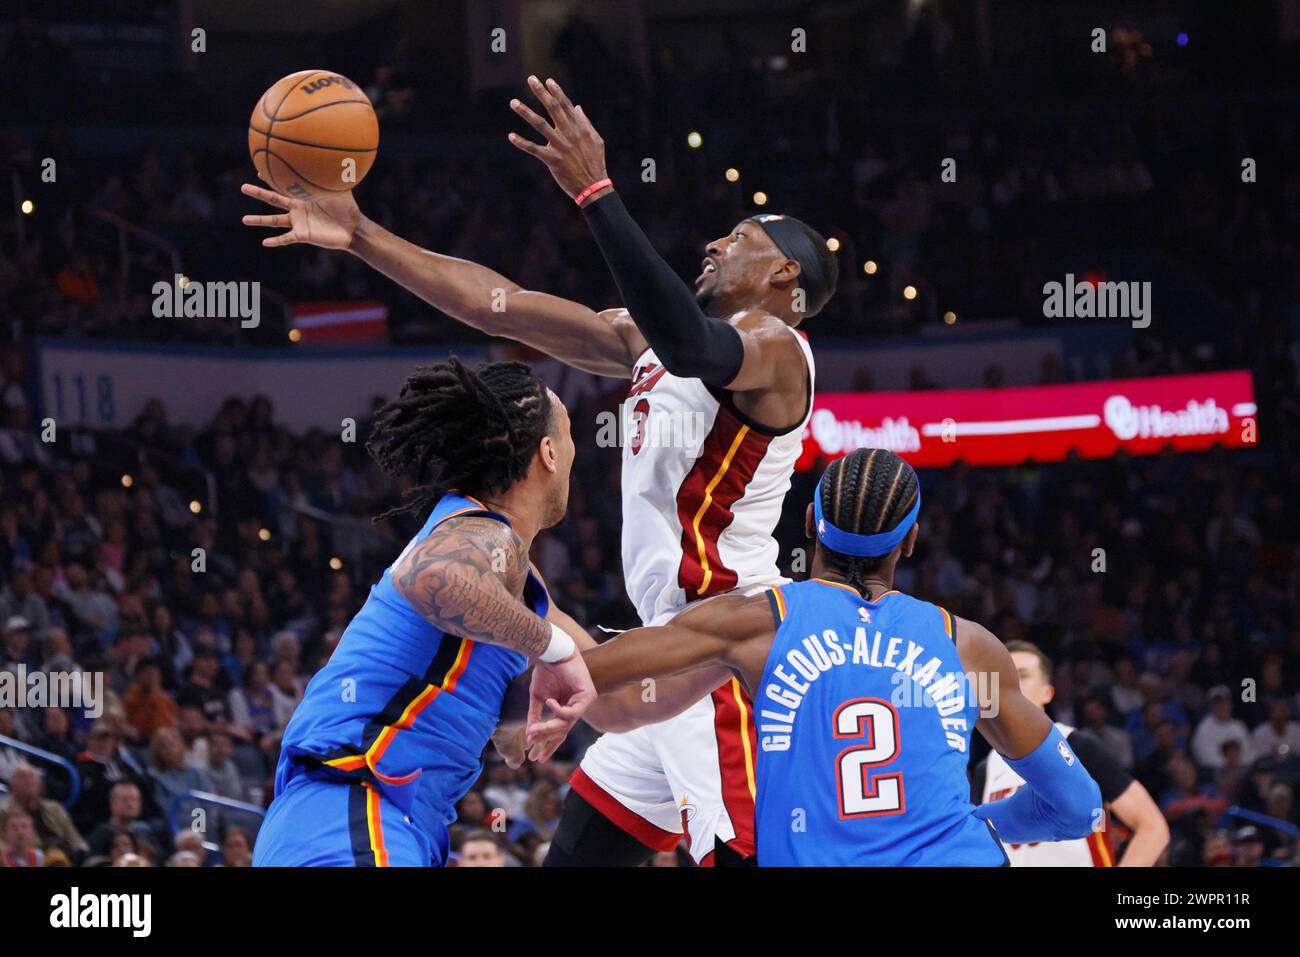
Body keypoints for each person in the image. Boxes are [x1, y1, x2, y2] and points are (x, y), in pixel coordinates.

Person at [241, 75, 836, 867]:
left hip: (722, 637)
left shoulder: (777, 350)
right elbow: (499, 303)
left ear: (784, 277)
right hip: (667, 645)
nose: (715, 246)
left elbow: (697, 345)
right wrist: (363, 236)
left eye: (738, 239)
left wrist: (595, 191)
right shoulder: (646, 344)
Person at [552, 449, 1103, 865]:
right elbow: (1080, 806)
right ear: (909, 542)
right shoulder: (967, 646)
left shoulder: (753, 624)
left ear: (811, 522)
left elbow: (590, 676)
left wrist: (528, 608)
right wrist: (975, 821)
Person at [252, 360, 594, 867]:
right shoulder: (482, 533)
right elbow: (431, 580)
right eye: (568, 435)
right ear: (548, 453)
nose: (573, 454)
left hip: (377, 823)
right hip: (354, 806)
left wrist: (734, 641)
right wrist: (554, 648)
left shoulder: (515, 578)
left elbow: (620, 685)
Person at [973, 642, 1171, 866]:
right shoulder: (985, 767)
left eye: (1023, 675)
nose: (1012, 684)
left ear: (1047, 693)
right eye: (1004, 676)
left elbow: (1153, 827)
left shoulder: (1077, 744)